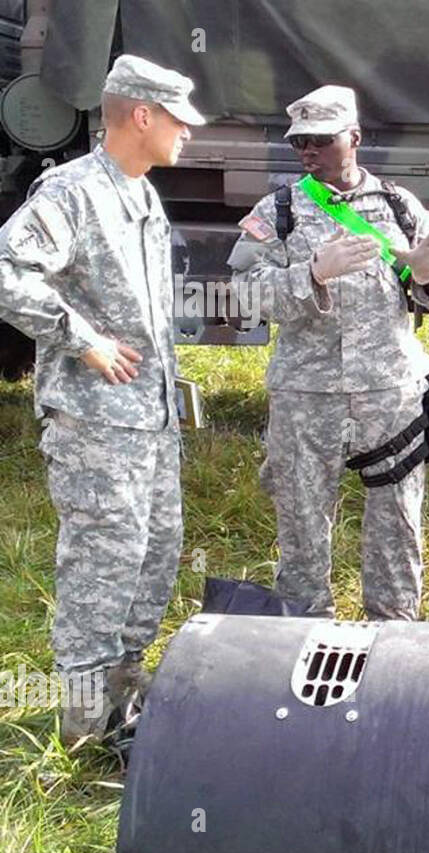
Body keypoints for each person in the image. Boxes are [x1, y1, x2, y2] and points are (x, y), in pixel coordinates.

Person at [0, 55, 204, 746]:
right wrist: (80, 337)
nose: (189, 134)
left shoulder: (140, 191)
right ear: (141, 115)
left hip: (148, 422)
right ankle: (85, 728)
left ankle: (124, 700)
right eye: (179, 119)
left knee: (153, 555)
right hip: (95, 424)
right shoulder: (74, 191)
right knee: (100, 567)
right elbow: (9, 266)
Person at [228, 85, 429, 620]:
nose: (308, 151)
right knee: (303, 523)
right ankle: (303, 636)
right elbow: (241, 294)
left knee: (397, 524)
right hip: (307, 396)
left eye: (320, 140)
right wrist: (311, 274)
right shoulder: (279, 210)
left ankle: (393, 638)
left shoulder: (400, 208)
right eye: (299, 143)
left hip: (389, 395)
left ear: (353, 138)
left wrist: (428, 278)